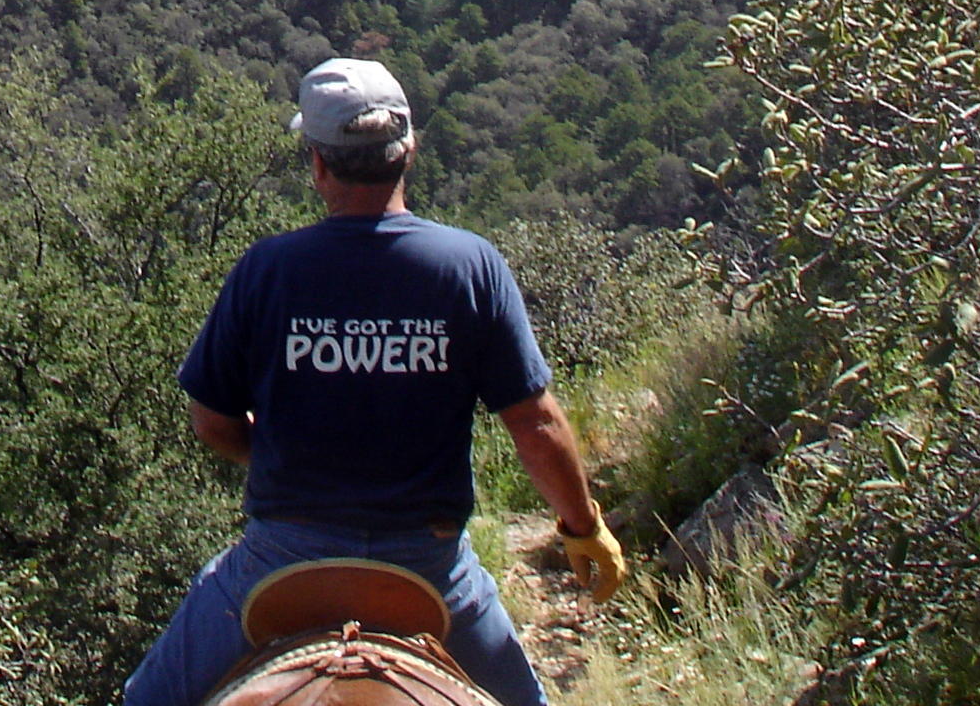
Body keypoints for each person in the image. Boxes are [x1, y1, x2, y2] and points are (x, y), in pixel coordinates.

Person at [120, 57, 626, 706]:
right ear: (409, 150)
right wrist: (583, 526)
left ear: (319, 165)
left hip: (282, 557)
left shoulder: (267, 270)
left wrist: (271, 450)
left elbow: (211, 421)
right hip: (428, 565)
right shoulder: (470, 267)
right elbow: (534, 422)